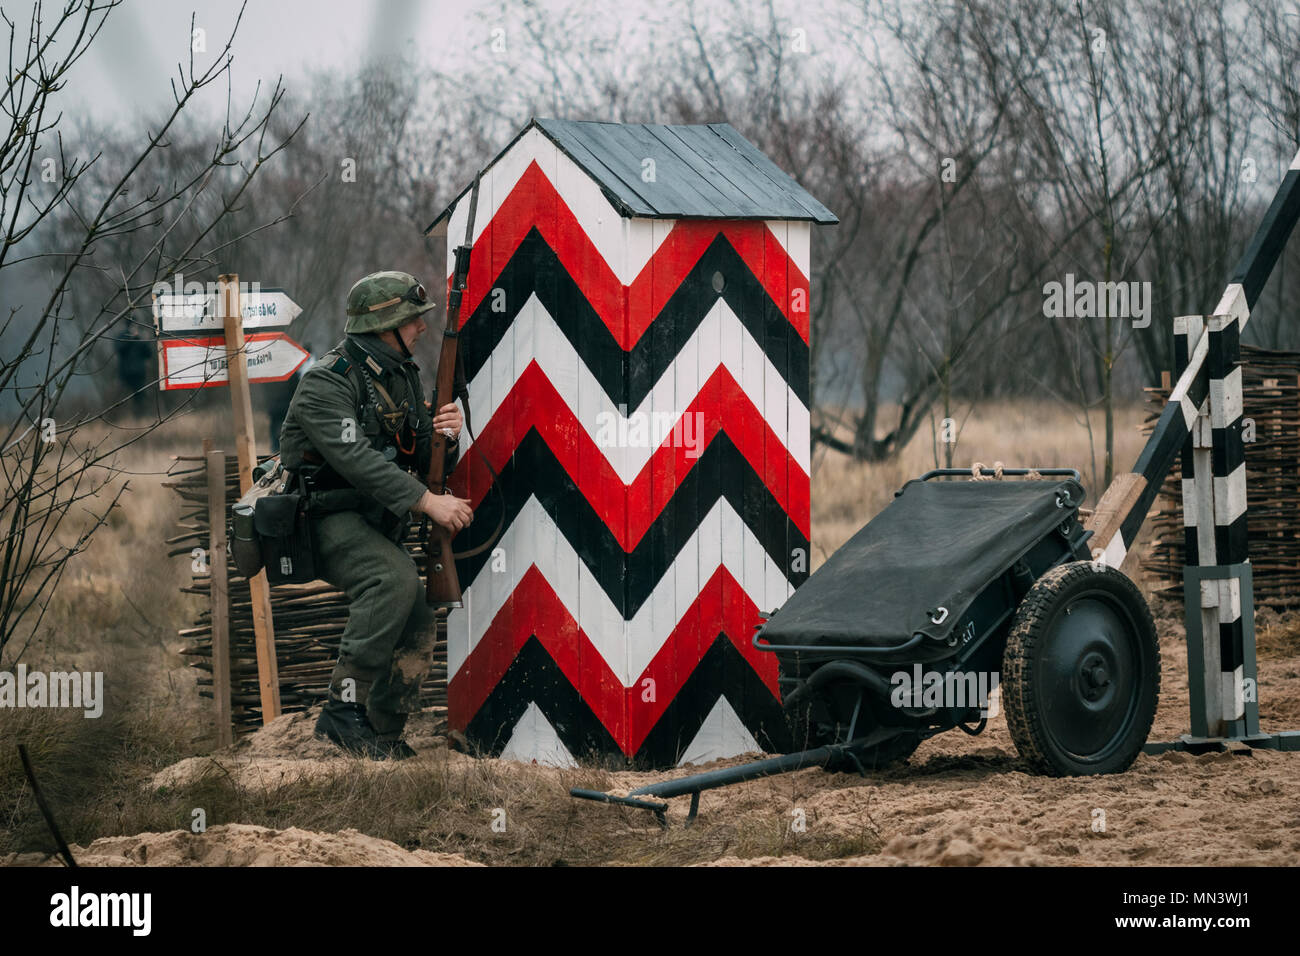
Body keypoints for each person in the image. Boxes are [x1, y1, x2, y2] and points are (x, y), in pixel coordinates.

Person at [278, 271, 473, 759]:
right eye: (412, 321)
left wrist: (447, 437)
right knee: (392, 581)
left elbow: (421, 454)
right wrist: (428, 503)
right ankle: (341, 713)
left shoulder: (400, 375)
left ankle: (382, 731)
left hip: (372, 518)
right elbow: (357, 460)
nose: (421, 330)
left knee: (418, 609)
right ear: (384, 325)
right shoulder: (327, 382)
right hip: (323, 516)